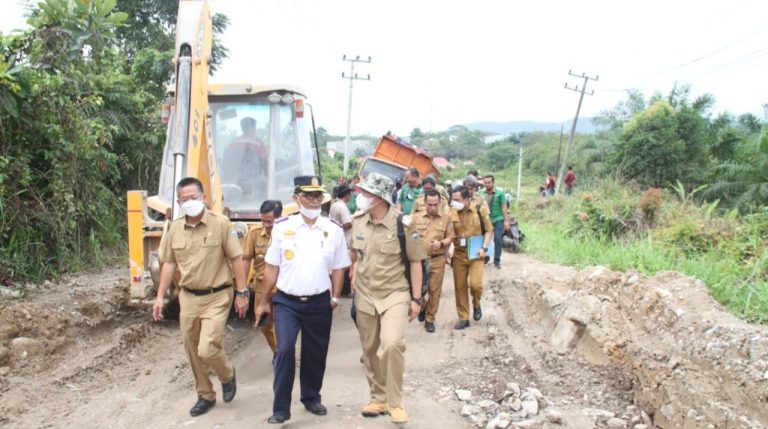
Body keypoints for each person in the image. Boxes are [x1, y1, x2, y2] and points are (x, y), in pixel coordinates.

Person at [254, 175, 351, 424]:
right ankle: (280, 409)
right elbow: (272, 268)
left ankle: (311, 398)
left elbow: (340, 267)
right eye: (308, 195)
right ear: (296, 198)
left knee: (315, 353)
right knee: (284, 350)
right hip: (287, 302)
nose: (314, 200)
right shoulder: (282, 227)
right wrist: (263, 300)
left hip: (320, 301)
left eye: (318, 195)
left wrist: (335, 297)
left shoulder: (333, 230)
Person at [152, 177, 248, 417]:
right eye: (184, 199)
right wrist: (159, 297)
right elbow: (168, 264)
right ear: (178, 202)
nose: (190, 202)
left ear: (204, 197)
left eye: (194, 197)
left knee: (208, 348)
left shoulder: (221, 224)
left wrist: (242, 292)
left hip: (218, 295)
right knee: (192, 348)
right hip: (189, 297)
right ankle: (205, 394)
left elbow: (237, 259)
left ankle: (226, 374)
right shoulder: (174, 228)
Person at [349, 172, 427, 424]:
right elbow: (354, 256)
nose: (361, 197)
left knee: (392, 344)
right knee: (370, 348)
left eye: (366, 193)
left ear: (379, 198)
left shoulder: (403, 224)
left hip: (394, 293)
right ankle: (378, 397)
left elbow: (416, 262)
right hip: (365, 294)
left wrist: (416, 299)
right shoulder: (358, 221)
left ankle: (395, 402)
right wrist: (351, 276)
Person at [449, 185, 492, 330]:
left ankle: (476, 303)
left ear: (467, 199)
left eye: (457, 199)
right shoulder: (451, 212)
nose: (454, 202)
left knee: (475, 285)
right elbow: (447, 232)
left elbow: (488, 230)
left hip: (476, 254)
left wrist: (484, 248)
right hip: (459, 254)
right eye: (452, 199)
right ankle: (463, 317)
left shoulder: (480, 210)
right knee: (460, 286)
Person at [242, 200, 283, 354]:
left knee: (284, 324)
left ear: (279, 219)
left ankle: (283, 356)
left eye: (270, 222)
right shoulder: (254, 233)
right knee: (264, 324)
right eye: (263, 220)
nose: (266, 224)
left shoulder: (288, 233)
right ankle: (278, 352)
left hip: (283, 287)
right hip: (261, 287)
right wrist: (243, 287)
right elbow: (246, 259)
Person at [412, 189, 454, 333]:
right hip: (419, 262)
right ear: (425, 203)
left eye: (435, 204)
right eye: (429, 204)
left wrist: (441, 243)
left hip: (437, 261)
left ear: (440, 203)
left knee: (435, 291)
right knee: (416, 291)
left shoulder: (446, 219)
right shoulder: (416, 218)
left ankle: (430, 319)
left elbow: (450, 237)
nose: (432, 207)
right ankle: (422, 306)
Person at [480, 175, 511, 269]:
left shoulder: (500, 193)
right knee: (484, 239)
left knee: (497, 239)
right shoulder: (480, 193)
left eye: (489, 182)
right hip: (486, 219)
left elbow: (504, 206)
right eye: (485, 183)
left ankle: (497, 260)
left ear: (493, 182)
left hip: (498, 218)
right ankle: (485, 257)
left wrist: (506, 220)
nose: (487, 184)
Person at [330, 184, 354, 296]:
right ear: (347, 194)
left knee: (338, 263)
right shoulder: (342, 207)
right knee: (345, 265)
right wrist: (354, 220)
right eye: (350, 193)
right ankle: (345, 290)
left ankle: (338, 289)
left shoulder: (334, 204)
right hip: (345, 239)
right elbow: (347, 224)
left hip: (336, 238)